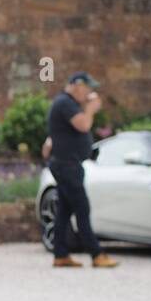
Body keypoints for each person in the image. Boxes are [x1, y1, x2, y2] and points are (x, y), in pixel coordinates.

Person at [41, 72, 117, 268]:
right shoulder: (65, 103)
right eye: (88, 88)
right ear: (77, 85)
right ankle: (96, 254)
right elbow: (83, 125)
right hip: (67, 165)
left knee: (64, 211)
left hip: (68, 164)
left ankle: (60, 254)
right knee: (82, 208)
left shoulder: (68, 104)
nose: (89, 93)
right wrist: (90, 109)